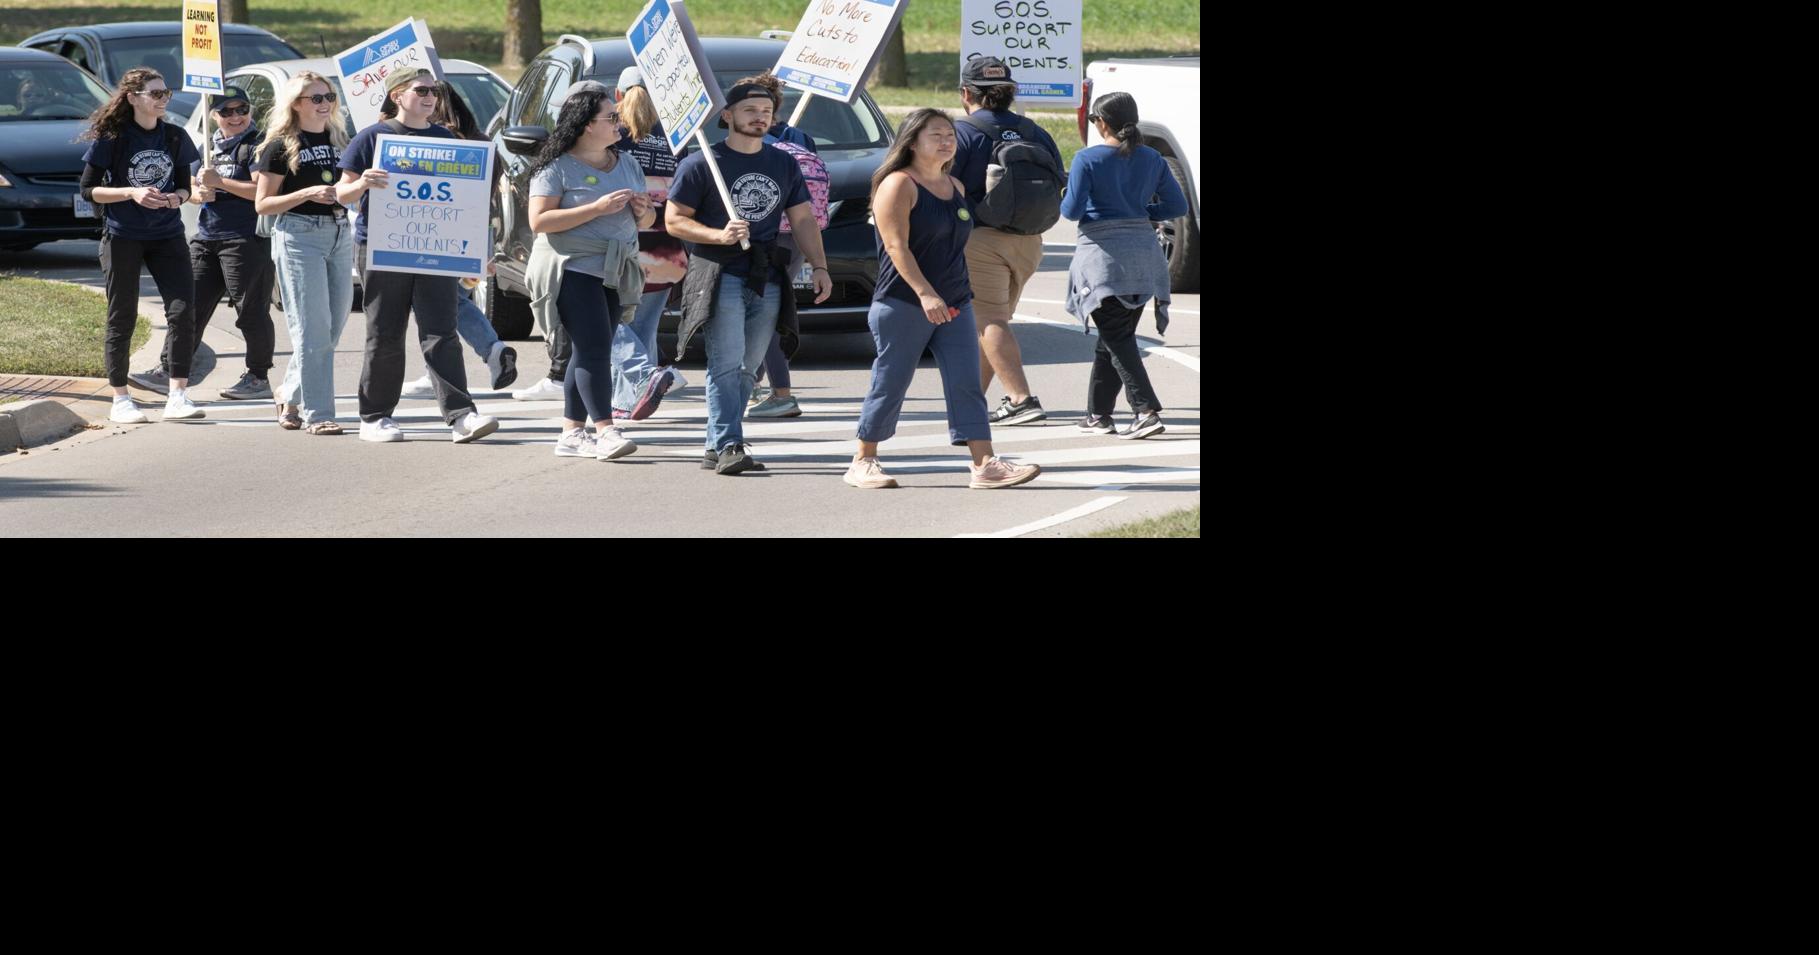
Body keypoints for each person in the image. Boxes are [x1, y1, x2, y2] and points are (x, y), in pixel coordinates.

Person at [844, 108, 1040, 491]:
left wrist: (954, 293)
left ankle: (985, 465)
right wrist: (925, 293)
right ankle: (863, 459)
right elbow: (896, 247)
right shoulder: (898, 184)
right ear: (912, 141)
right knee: (891, 381)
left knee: (967, 382)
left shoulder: (956, 187)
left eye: (949, 134)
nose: (947, 140)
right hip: (904, 301)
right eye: (936, 134)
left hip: (955, 301)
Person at [665, 81, 830, 475]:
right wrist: (716, 235)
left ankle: (716, 443)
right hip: (719, 273)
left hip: (766, 274)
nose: (760, 117)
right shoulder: (701, 163)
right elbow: (674, 220)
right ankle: (729, 443)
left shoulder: (783, 163)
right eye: (750, 110)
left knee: (748, 365)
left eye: (766, 111)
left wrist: (819, 265)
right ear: (727, 115)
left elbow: (803, 218)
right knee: (725, 361)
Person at [336, 68, 499, 444]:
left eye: (435, 91)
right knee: (385, 332)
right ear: (397, 95)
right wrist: (363, 182)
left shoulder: (446, 138)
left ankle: (461, 416)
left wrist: (475, 252)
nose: (431, 97)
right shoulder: (372, 137)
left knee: (441, 331)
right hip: (382, 246)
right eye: (422, 89)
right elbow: (341, 194)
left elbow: (465, 203)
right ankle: (375, 416)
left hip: (433, 248)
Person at [525, 80, 653, 461]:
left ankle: (570, 432)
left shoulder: (627, 162)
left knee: (586, 351)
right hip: (571, 267)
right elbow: (539, 220)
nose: (620, 123)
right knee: (597, 347)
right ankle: (606, 430)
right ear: (585, 125)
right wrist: (596, 208)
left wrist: (643, 211)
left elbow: (645, 223)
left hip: (615, 267)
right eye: (611, 117)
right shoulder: (556, 167)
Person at [78, 67, 204, 424]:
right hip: (123, 235)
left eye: (166, 93)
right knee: (123, 316)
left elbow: (184, 188)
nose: (163, 99)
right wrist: (131, 192)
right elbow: (88, 189)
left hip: (167, 234)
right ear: (133, 98)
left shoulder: (176, 137)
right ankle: (120, 397)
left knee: (183, 311)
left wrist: (176, 199)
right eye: (155, 94)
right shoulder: (113, 137)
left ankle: (178, 393)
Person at [136, 85, 274, 404]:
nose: (236, 116)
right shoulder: (209, 147)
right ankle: (169, 371)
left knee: (250, 312)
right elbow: (195, 186)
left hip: (245, 239)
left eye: (242, 109)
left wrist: (220, 183)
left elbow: (260, 191)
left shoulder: (256, 146)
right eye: (227, 111)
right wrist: (200, 192)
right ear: (214, 116)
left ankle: (257, 376)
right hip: (206, 238)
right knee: (187, 308)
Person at [1062, 91, 1187, 440]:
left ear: (1101, 122)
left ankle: (1145, 410)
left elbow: (1070, 211)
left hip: (1103, 259)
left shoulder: (1086, 160)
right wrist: (1141, 214)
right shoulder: (1152, 158)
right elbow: (1175, 205)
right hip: (1146, 257)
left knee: (1116, 337)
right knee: (1115, 337)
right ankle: (1098, 414)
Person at [951, 56, 1065, 426]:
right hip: (1030, 241)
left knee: (989, 322)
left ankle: (1020, 399)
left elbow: (938, 187)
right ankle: (969, 405)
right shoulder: (1035, 132)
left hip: (981, 240)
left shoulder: (962, 133)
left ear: (966, 92)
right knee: (992, 323)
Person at [400, 80, 517, 399]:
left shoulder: (437, 142)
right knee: (453, 300)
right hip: (477, 235)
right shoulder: (482, 143)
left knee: (436, 302)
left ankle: (453, 364)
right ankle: (488, 352)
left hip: (441, 233)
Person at [254, 71, 351, 434]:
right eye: (316, 98)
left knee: (333, 328)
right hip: (298, 236)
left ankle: (289, 391)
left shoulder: (341, 138)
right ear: (296, 104)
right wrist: (305, 194)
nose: (325, 105)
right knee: (311, 331)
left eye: (329, 98)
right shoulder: (280, 146)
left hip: (340, 232)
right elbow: (263, 204)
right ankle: (319, 413)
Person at [607, 65, 688, 421]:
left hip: (625, 244)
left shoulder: (610, 135)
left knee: (608, 320)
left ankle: (635, 390)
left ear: (618, 96)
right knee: (644, 326)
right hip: (668, 247)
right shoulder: (677, 138)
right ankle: (631, 403)